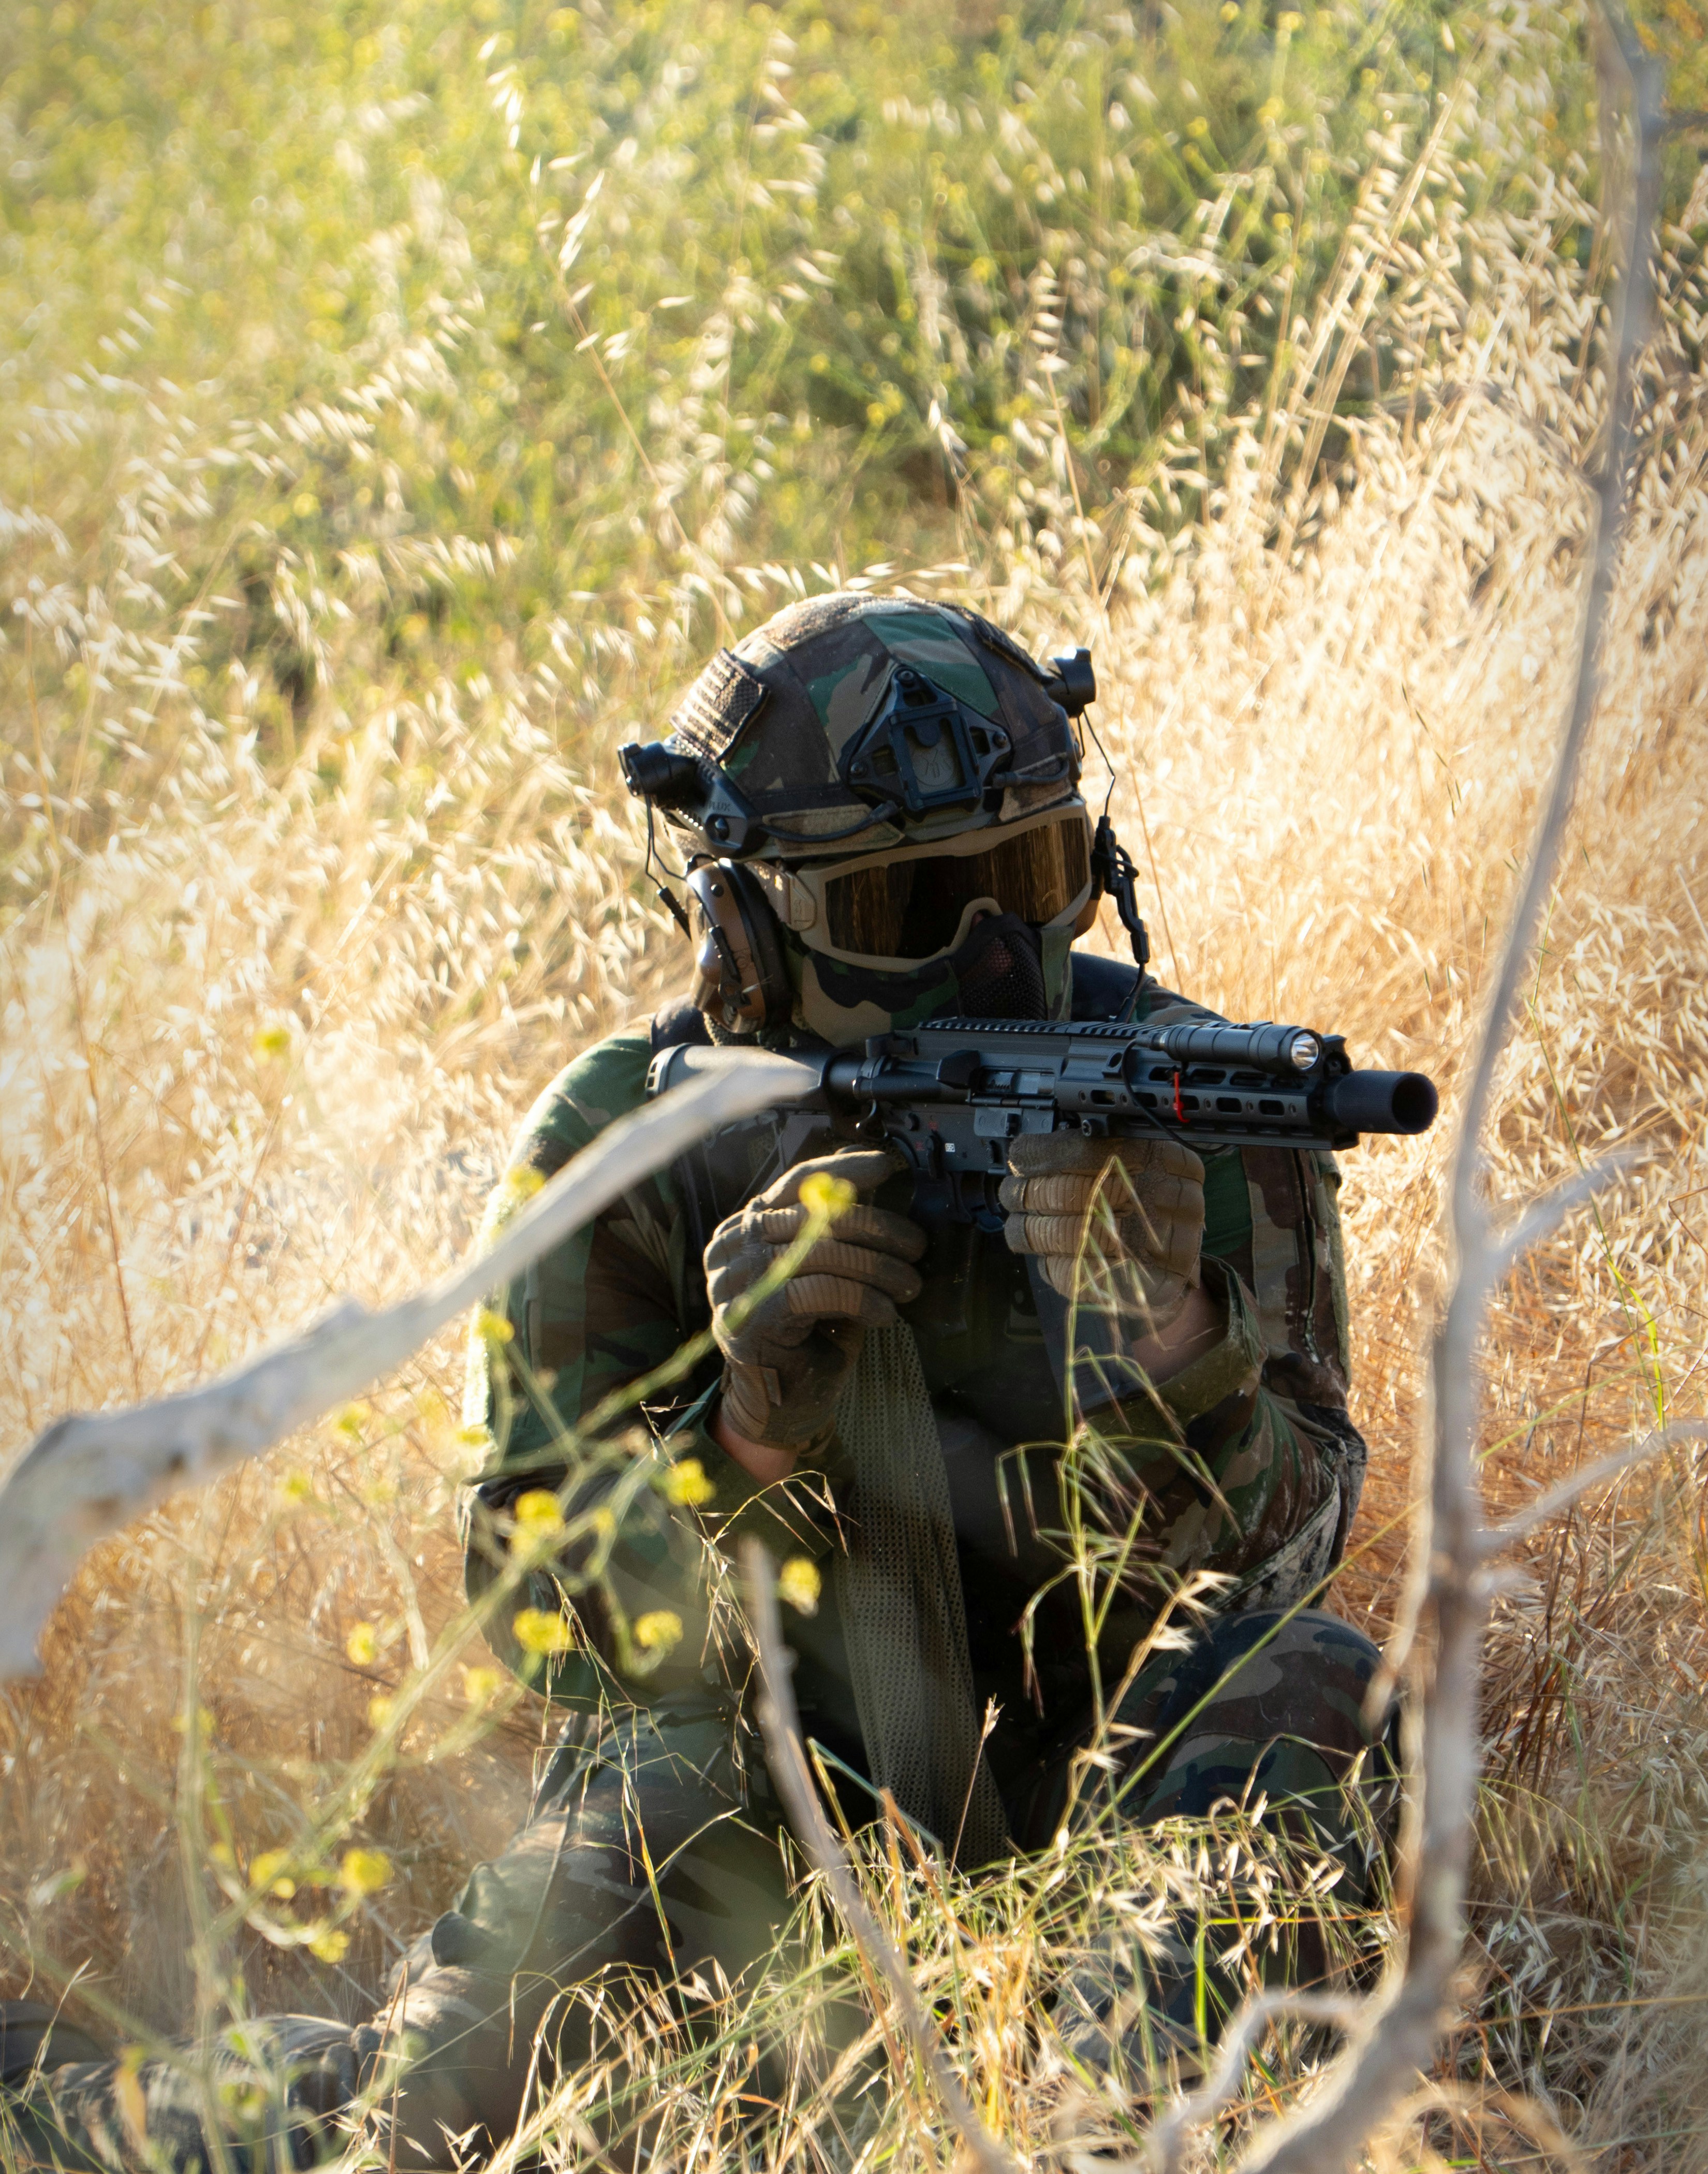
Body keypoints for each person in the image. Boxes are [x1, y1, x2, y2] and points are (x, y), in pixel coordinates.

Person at [2, 594, 1393, 2170]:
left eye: (1030, 877)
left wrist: (1167, 1335)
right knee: (421, 2123)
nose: (995, 958)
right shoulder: (628, 1141)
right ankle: (109, 2099)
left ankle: (1097, 2128)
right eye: (899, 910)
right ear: (741, 927)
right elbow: (537, 1625)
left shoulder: (1194, 1106)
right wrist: (740, 1423)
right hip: (749, 1785)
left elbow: (1285, 1560)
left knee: (1313, 1688)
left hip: (1098, 1767)